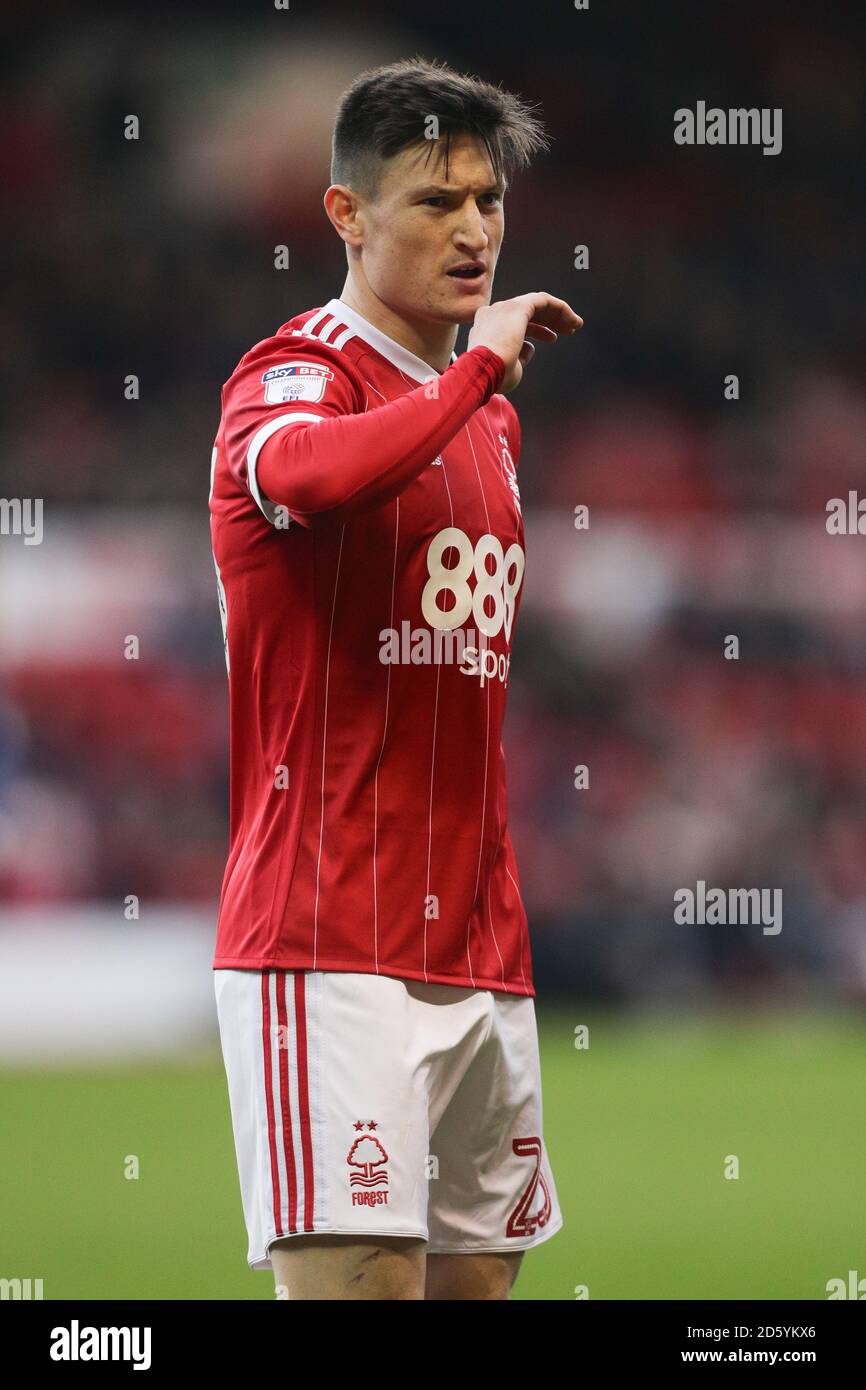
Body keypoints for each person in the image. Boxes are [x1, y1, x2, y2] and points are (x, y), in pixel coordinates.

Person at [209, 54, 582, 1300]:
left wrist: (473, 383)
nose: (473, 229)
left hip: (480, 940)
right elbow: (312, 478)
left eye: (486, 201)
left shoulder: (491, 420)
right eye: (434, 202)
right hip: (327, 937)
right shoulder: (289, 373)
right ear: (346, 214)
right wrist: (474, 365)